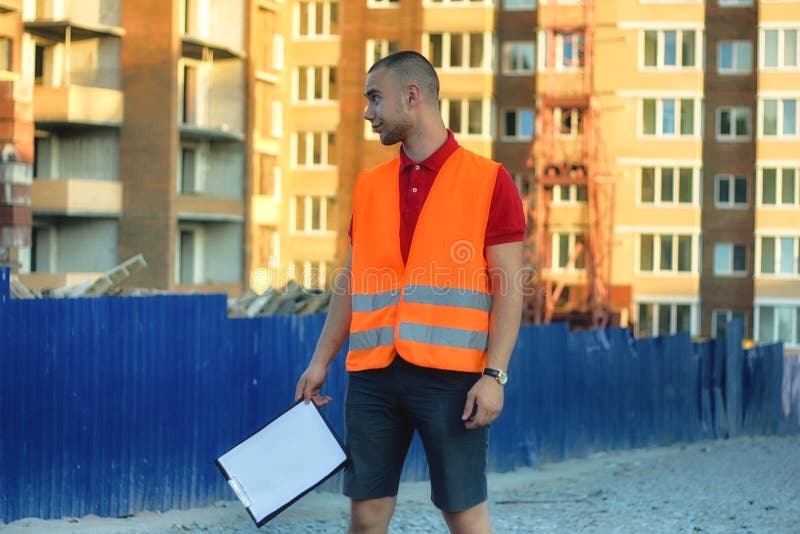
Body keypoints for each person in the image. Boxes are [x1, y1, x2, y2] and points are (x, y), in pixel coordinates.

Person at [295, 50, 525, 534]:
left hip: (454, 382)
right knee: (365, 515)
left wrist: (495, 376)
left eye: (375, 98)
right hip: (374, 378)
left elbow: (508, 288)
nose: (367, 112)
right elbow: (352, 280)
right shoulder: (369, 185)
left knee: (464, 517)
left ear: (412, 96)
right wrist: (321, 361)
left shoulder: (489, 181)